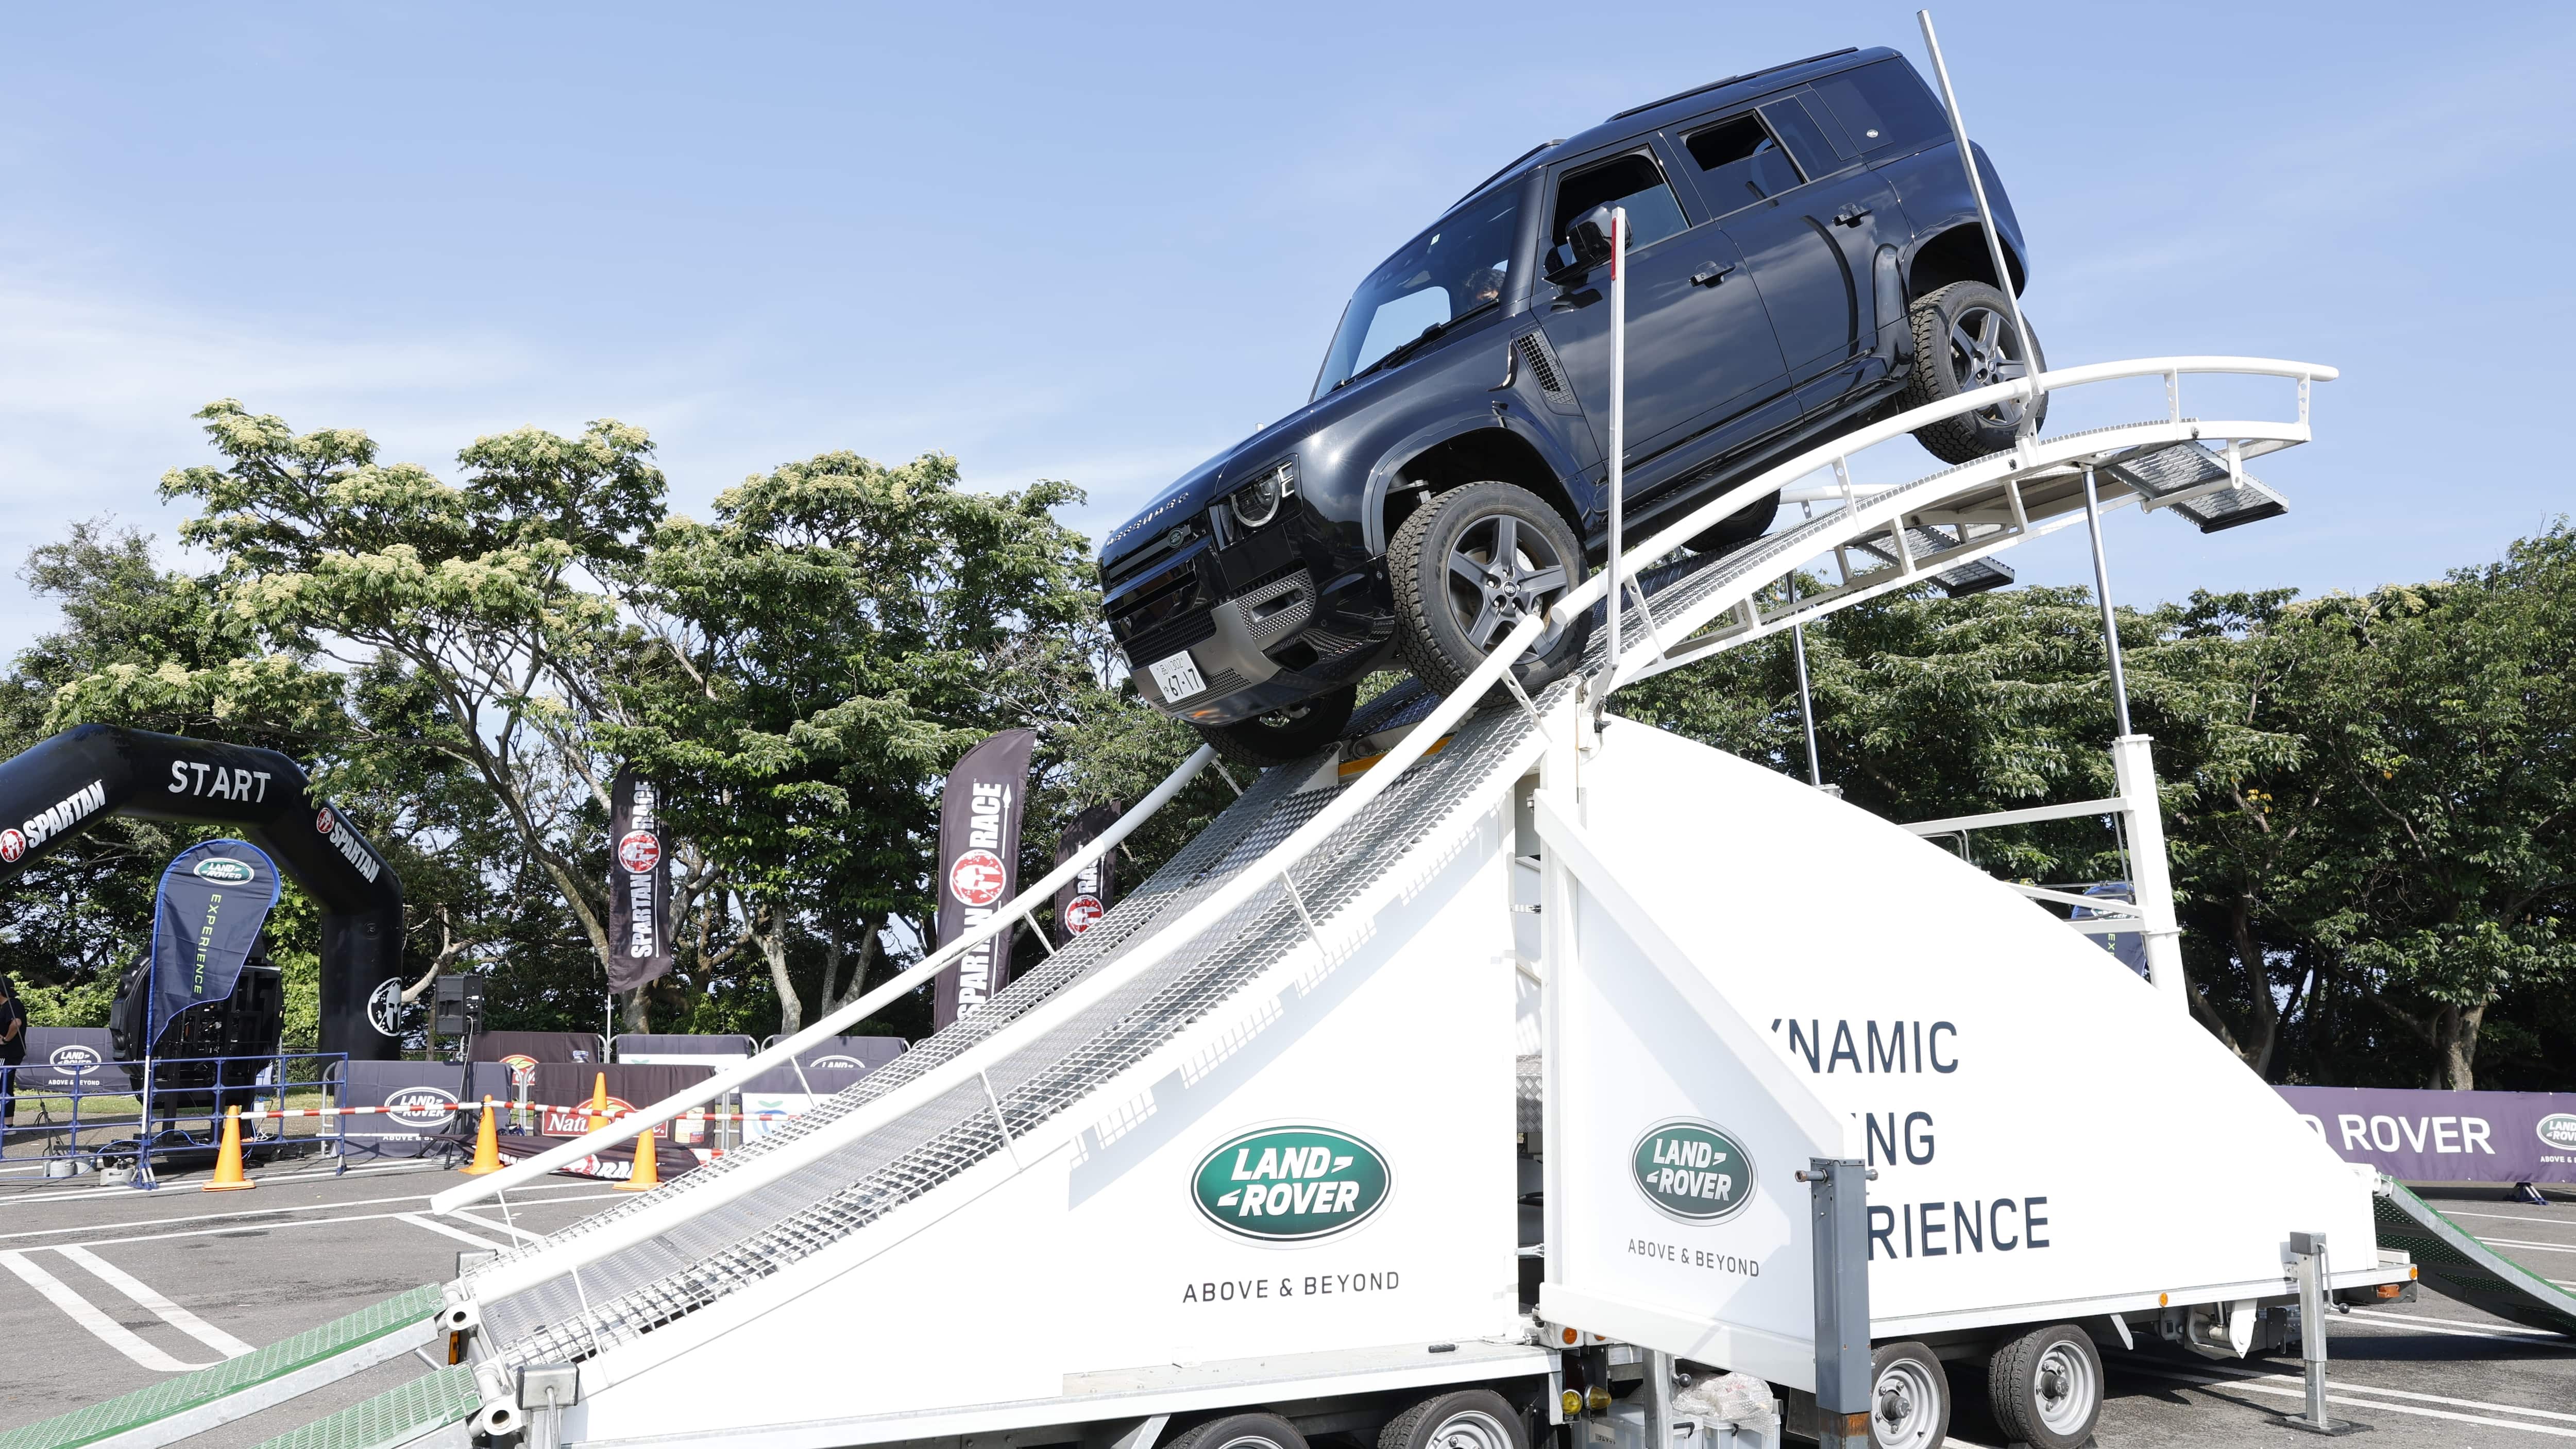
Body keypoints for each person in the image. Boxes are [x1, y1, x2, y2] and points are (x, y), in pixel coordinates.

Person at [0, 976, 25, 1135]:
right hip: (8, 1053)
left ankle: (8, 1125)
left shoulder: (12, 1005)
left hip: (7, 1053)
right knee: (4, 1087)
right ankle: (7, 1124)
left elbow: (16, 1023)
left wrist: (5, 1040)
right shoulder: (7, 1006)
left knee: (4, 1087)